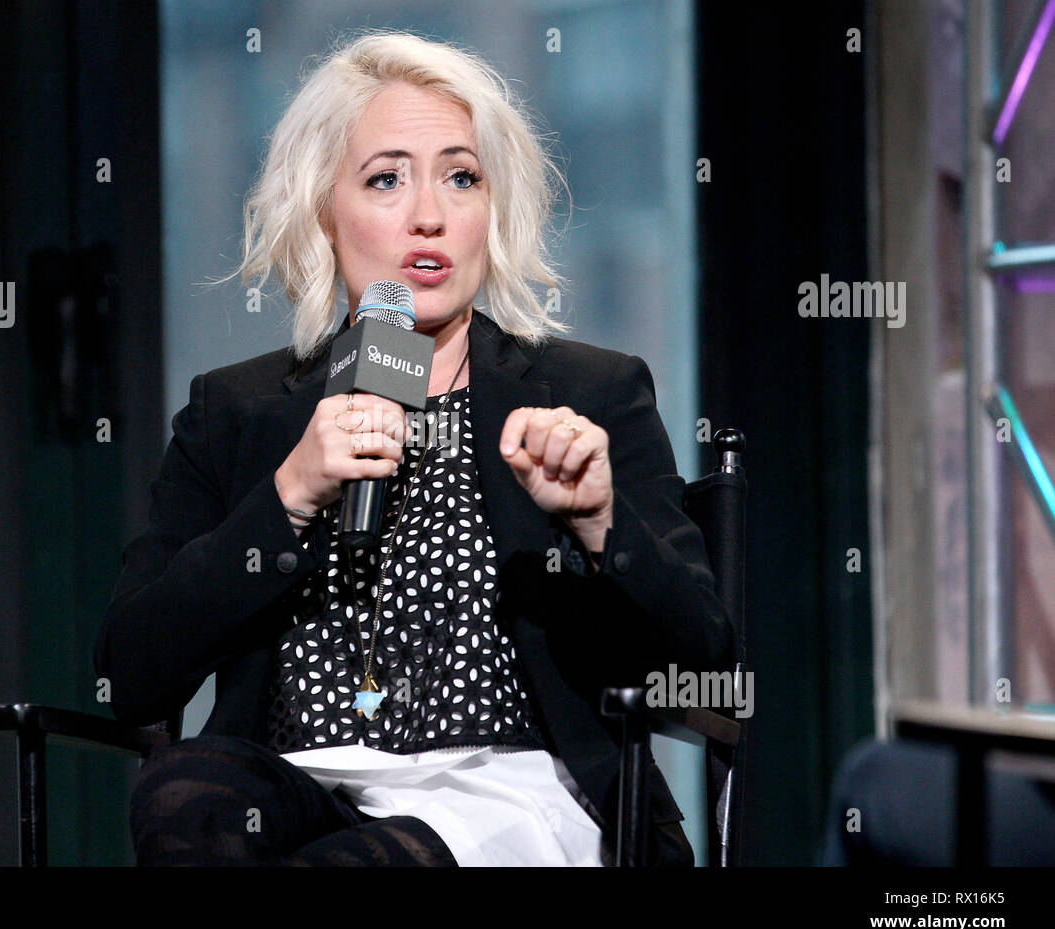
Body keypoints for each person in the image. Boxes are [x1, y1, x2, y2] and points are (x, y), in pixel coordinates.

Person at [94, 30, 734, 867]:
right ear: (325, 209)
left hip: (510, 796)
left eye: (461, 177)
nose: (428, 213)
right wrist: (285, 497)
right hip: (301, 787)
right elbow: (129, 680)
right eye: (386, 178)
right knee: (184, 798)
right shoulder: (238, 411)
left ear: (491, 209)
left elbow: (704, 663)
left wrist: (602, 525)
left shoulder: (588, 392)